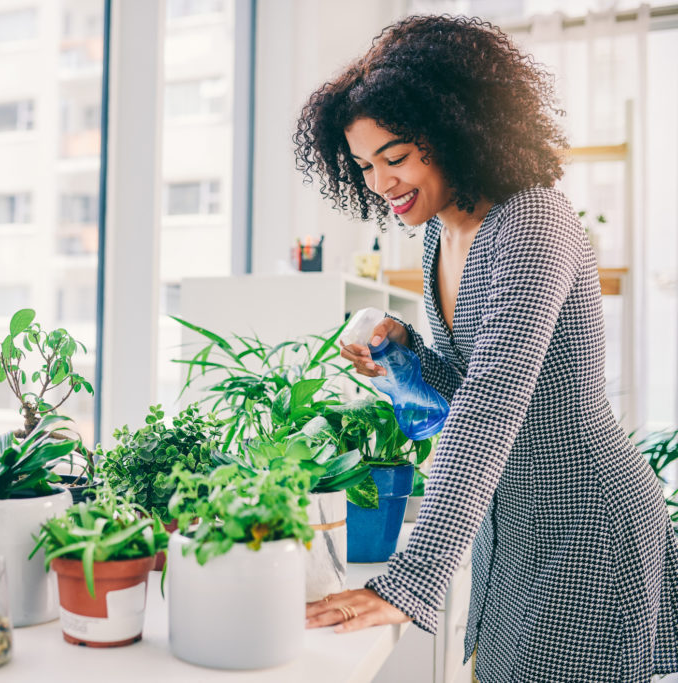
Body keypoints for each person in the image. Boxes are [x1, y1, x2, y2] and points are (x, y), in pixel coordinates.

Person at [293, 15, 678, 683]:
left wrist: (410, 579)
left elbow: (493, 404)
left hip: (584, 519)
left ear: (451, 131)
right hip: (512, 523)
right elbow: (470, 386)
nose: (382, 183)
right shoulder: (442, 233)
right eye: (364, 166)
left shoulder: (532, 221)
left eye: (396, 156)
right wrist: (407, 354)